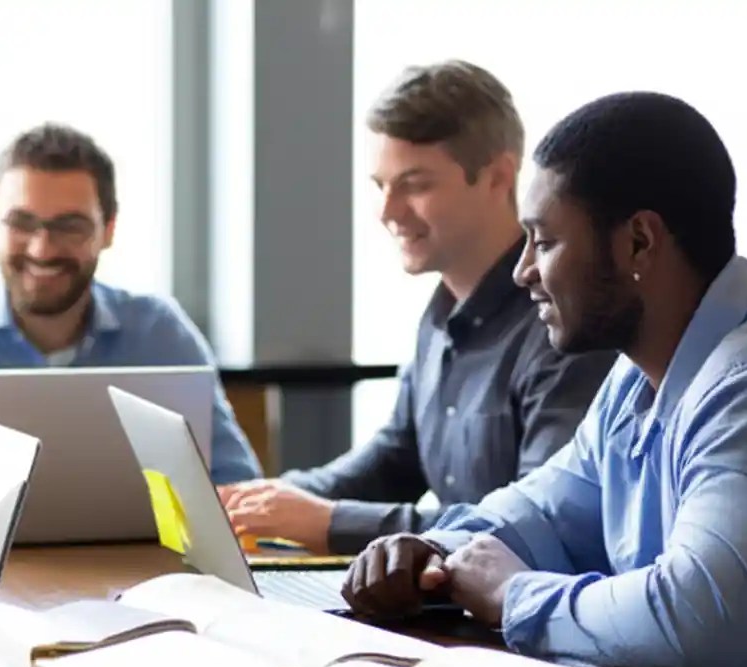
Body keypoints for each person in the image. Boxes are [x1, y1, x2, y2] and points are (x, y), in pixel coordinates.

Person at [342, 91, 747, 667]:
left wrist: (514, 596)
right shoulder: (636, 375)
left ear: (639, 242)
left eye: (546, 241)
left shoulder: (739, 387)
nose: (522, 270)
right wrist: (433, 551)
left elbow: (707, 618)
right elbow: (546, 511)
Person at [218, 60, 615, 555]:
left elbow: (536, 523)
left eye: (415, 184)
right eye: (381, 186)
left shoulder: (561, 326)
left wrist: (331, 522)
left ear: (498, 178)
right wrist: (264, 500)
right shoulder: (440, 317)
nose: (387, 212)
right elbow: (394, 461)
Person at [0, 123, 261, 496]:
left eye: (70, 227)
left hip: (132, 571)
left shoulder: (159, 330)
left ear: (108, 230)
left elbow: (239, 484)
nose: (42, 249)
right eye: (21, 223)